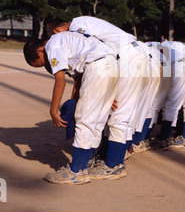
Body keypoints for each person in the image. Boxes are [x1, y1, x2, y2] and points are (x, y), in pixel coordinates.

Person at [45, 16, 152, 168]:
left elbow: (93, 49)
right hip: (133, 55)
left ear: (56, 31)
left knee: (118, 115)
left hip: (126, 57)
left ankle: (111, 165)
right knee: (122, 113)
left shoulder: (76, 26)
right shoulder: (82, 21)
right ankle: (115, 159)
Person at [23, 32, 120, 184]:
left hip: (97, 68)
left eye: (42, 63)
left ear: (40, 51)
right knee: (96, 121)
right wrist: (102, 92)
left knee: (85, 120)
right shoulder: (67, 41)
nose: (46, 66)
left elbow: (60, 81)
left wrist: (53, 111)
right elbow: (79, 79)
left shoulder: (52, 45)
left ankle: (76, 171)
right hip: (110, 65)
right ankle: (83, 167)